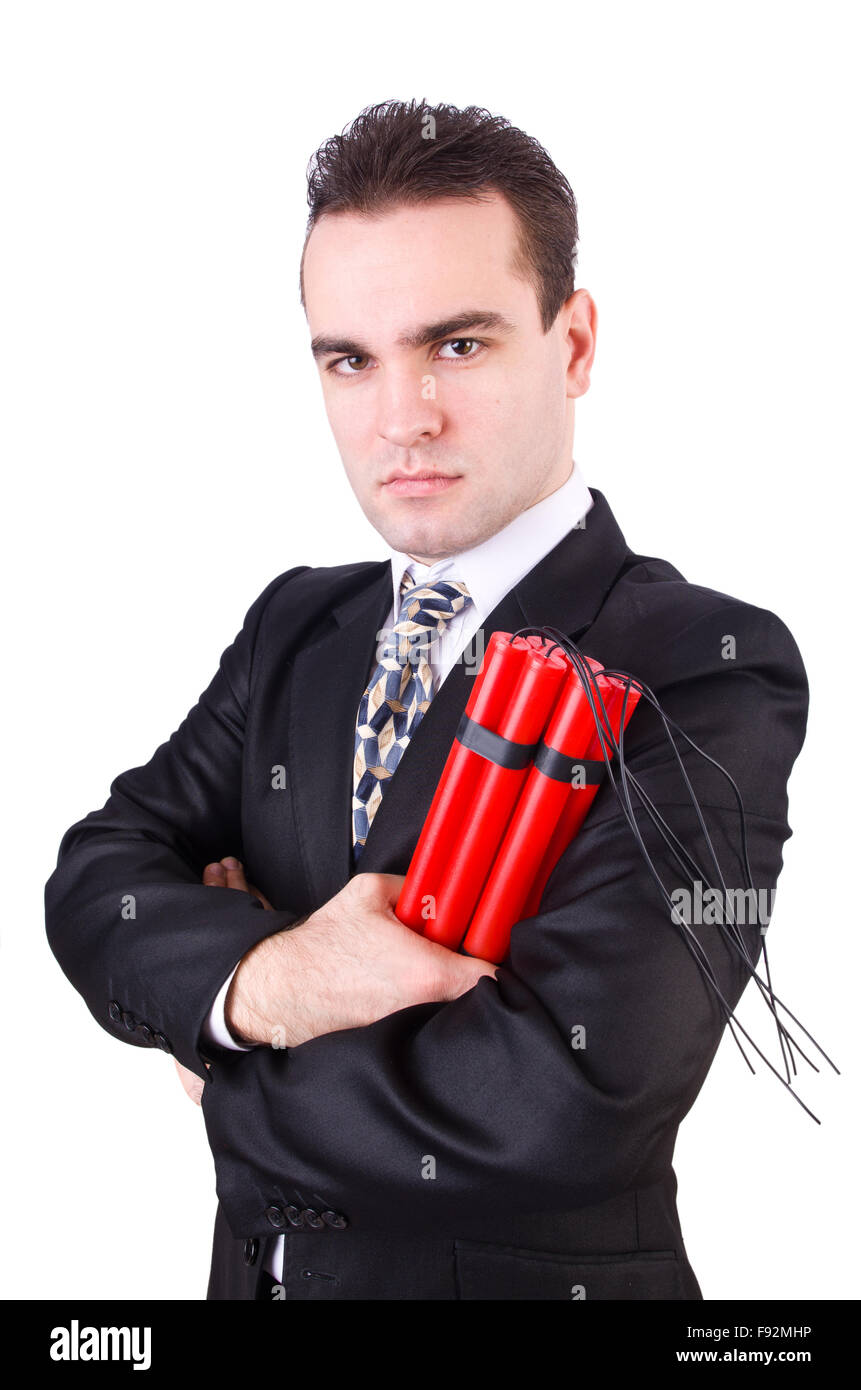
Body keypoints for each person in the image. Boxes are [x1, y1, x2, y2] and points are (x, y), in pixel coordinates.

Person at [44, 99, 809, 1301]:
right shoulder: (297, 622)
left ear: (575, 343)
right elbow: (97, 882)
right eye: (351, 359)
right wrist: (268, 988)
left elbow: (562, 1102)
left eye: (457, 344)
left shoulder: (703, 666)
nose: (402, 418)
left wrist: (223, 1056)